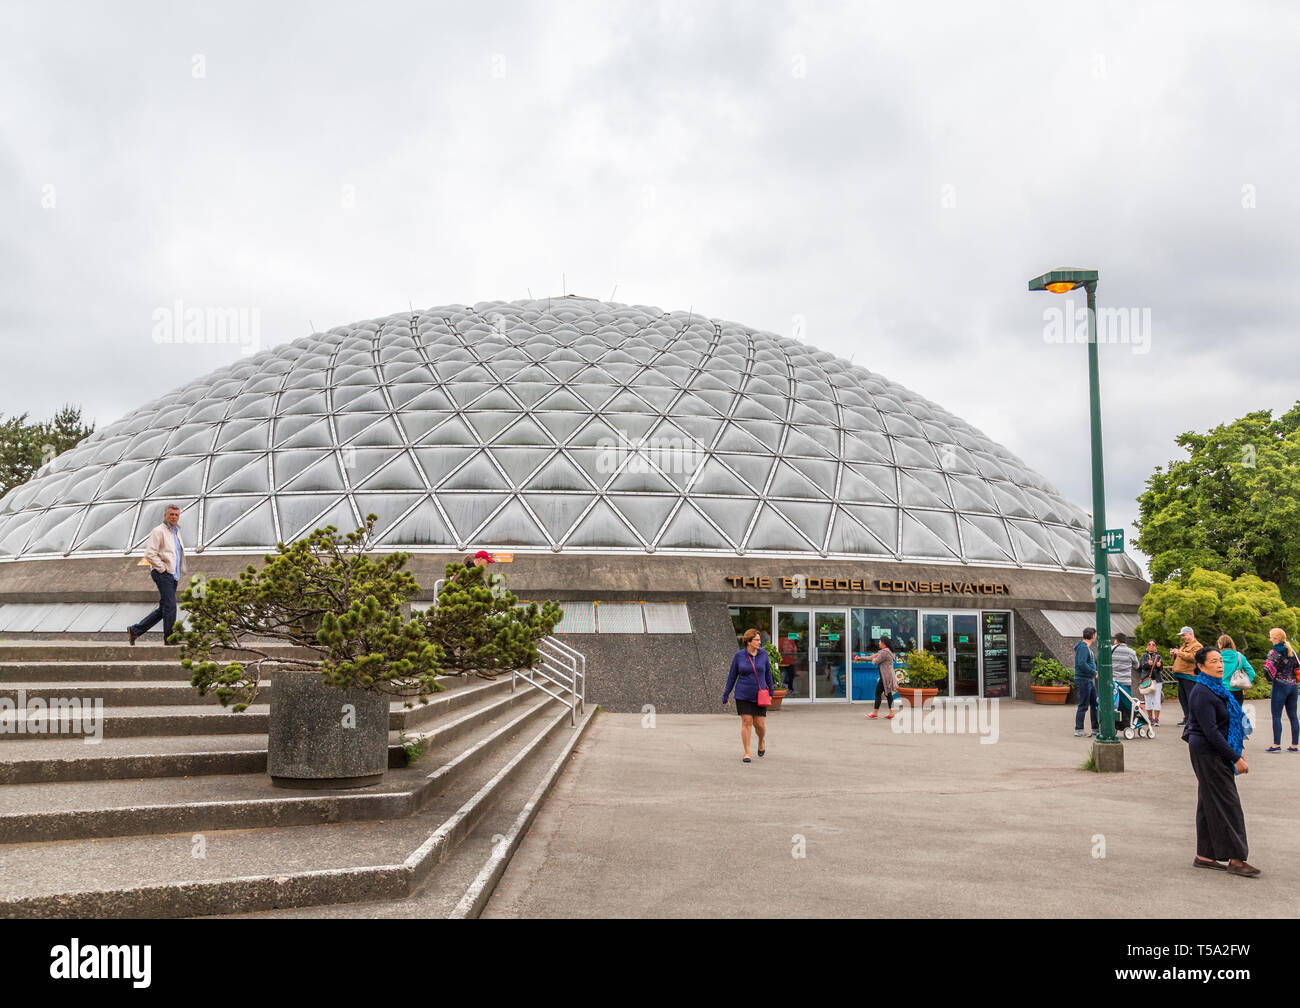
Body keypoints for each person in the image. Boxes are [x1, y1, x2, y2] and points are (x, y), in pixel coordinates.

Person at [1186, 646, 1258, 876]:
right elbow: (1211, 732)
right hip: (1207, 752)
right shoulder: (1202, 693)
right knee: (1229, 803)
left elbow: (1229, 724)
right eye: (1214, 661)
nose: (1220, 665)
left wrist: (1240, 746)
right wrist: (1235, 757)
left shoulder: (1218, 689)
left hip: (1214, 749)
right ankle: (1236, 860)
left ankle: (1204, 855)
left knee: (1208, 800)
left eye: (1221, 661)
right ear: (1200, 666)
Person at [128, 504, 186, 645]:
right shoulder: (158, 531)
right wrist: (162, 568)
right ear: (165, 516)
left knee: (164, 608)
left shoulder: (176, 531)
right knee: (171, 606)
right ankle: (169, 639)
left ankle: (135, 630)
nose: (174, 517)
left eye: (176, 515)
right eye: (171, 514)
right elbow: (149, 554)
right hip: (163, 573)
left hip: (173, 574)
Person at [722, 628, 773, 763]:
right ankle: (747, 753)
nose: (759, 642)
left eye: (759, 640)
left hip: (760, 695)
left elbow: (768, 674)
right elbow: (732, 676)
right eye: (756, 640)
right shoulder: (739, 656)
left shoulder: (764, 655)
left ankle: (761, 741)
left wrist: (771, 692)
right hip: (743, 694)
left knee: (760, 724)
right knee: (747, 722)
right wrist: (726, 694)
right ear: (749, 641)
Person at [1263, 628, 1300, 753]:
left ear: (1276, 638)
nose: (1270, 639)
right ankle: (1294, 745)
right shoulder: (1291, 651)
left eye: (1271, 637)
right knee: (1293, 716)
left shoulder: (1275, 651)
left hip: (1280, 685)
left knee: (1276, 716)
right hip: (1293, 686)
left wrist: (1270, 678)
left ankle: (1276, 745)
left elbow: (1267, 668)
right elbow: (1298, 666)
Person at [1169, 626, 1202, 727]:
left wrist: (1179, 653)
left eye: (1184, 635)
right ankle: (1187, 718)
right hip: (1182, 676)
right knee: (1183, 699)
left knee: (1190, 699)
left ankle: (1192, 720)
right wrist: (1174, 654)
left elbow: (1194, 657)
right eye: (1182, 635)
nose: (1183, 637)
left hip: (1190, 676)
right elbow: (1181, 657)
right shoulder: (1184, 645)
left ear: (1191, 634)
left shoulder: (1197, 646)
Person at [865, 636, 899, 720]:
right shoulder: (886, 651)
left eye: (879, 641)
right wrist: (860, 658)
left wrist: (874, 658)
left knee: (878, 693)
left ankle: (875, 713)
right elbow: (872, 657)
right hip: (886, 676)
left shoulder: (884, 652)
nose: (878, 643)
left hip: (886, 677)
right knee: (888, 694)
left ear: (883, 643)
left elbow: (875, 661)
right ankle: (891, 713)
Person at [1217, 635, 1256, 707]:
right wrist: (1244, 686)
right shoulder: (1240, 656)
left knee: (1222, 715)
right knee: (1236, 715)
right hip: (1237, 690)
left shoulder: (1217, 657)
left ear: (1220, 644)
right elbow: (1251, 673)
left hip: (1221, 690)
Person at [1073, 627, 1099, 737]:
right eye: (1095, 635)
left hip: (1088, 679)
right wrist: (1094, 672)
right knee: (1083, 704)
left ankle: (1095, 728)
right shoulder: (1083, 647)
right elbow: (1081, 664)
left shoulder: (1085, 647)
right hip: (1084, 679)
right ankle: (1079, 729)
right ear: (1093, 636)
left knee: (1095, 703)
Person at [1111, 633, 1140, 730]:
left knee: (1115, 703)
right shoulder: (1131, 652)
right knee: (1126, 703)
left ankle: (1115, 724)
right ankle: (1126, 724)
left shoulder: (1111, 649)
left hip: (1113, 682)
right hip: (1125, 681)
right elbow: (1137, 665)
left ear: (1116, 640)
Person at [1138, 640, 1164, 726]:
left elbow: (1161, 669)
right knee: (1148, 700)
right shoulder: (1144, 656)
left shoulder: (1159, 656)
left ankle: (1156, 719)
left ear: (1156, 647)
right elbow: (1140, 667)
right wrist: (1147, 664)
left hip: (1157, 680)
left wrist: (1159, 666)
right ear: (1147, 646)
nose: (1151, 646)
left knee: (1157, 700)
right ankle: (1150, 718)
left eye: (1153, 645)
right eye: (1149, 644)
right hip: (1146, 680)